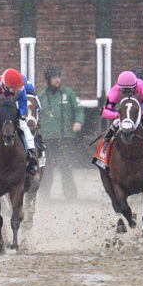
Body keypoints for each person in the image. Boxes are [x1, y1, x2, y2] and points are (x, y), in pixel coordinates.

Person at [0, 68, 39, 177]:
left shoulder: (20, 87)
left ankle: (31, 152)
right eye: (13, 89)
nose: (15, 90)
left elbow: (23, 104)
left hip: (13, 108)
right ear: (5, 85)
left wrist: (20, 114)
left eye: (17, 88)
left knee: (24, 127)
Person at [93, 70, 143, 171]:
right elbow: (105, 112)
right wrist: (120, 115)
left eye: (130, 91)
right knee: (116, 124)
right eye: (124, 91)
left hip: (141, 105)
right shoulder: (114, 92)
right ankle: (104, 150)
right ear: (119, 88)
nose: (127, 93)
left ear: (135, 87)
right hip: (124, 108)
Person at [39, 64, 84, 199]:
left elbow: (79, 109)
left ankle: (70, 194)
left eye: (59, 77)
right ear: (48, 79)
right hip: (47, 137)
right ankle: (45, 194)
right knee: (46, 167)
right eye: (54, 77)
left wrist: (78, 121)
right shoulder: (41, 96)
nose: (57, 80)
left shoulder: (68, 93)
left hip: (65, 137)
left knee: (66, 165)